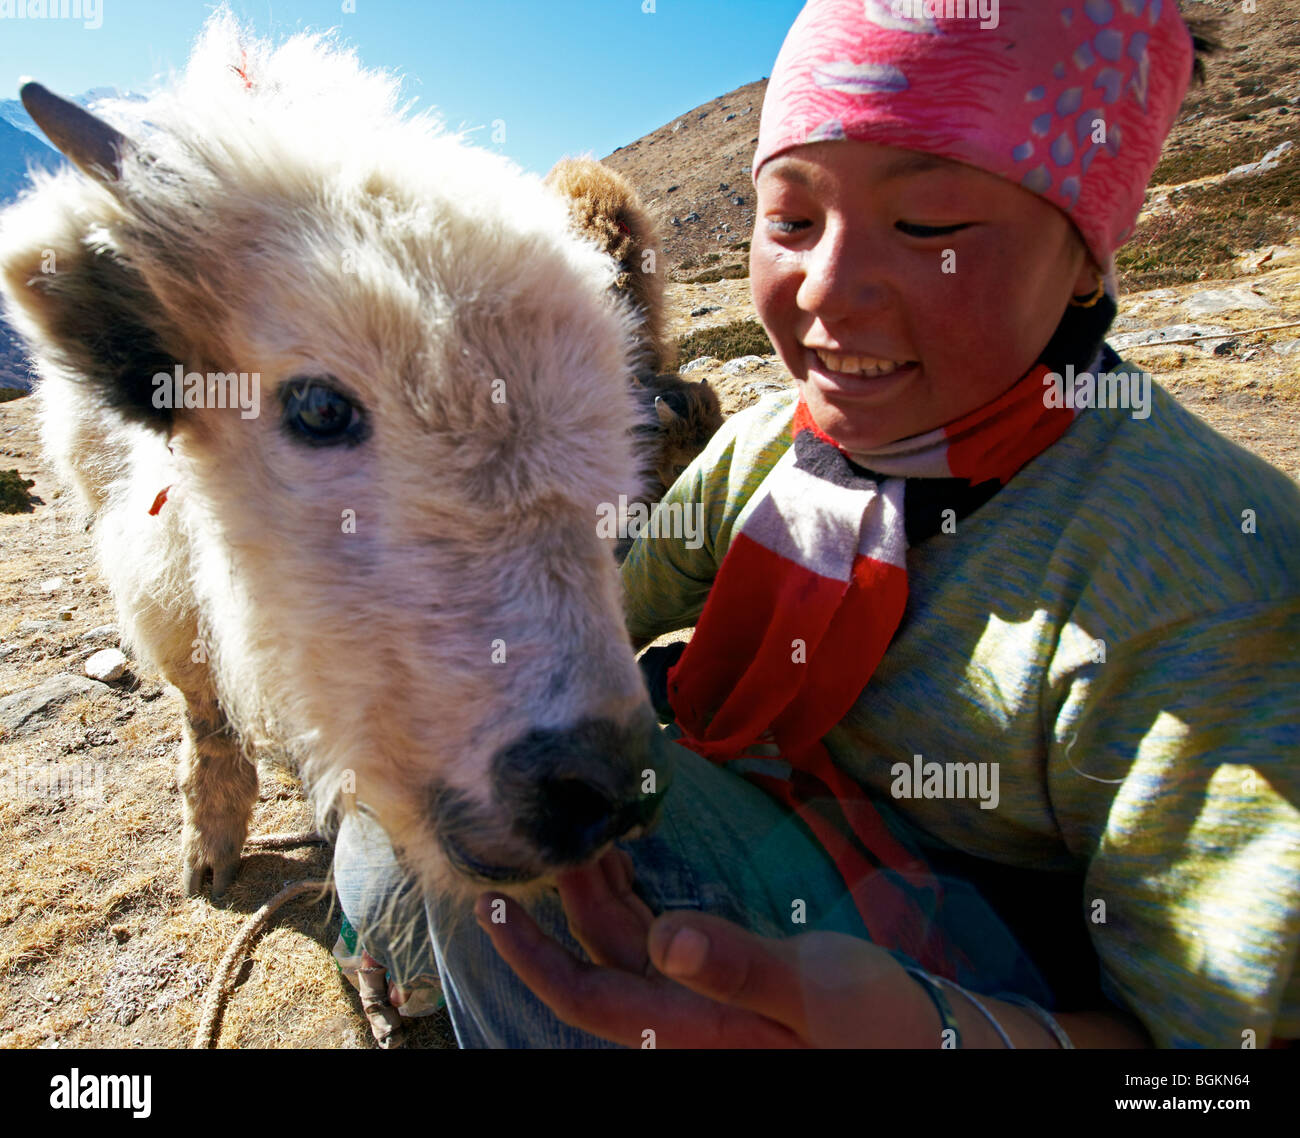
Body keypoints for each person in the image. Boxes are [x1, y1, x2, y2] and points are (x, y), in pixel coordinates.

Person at [334, 0, 1299, 1048]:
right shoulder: (769, 450)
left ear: (1085, 254)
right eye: (790, 222)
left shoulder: (1205, 586)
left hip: (983, 989)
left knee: (530, 886)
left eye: (928, 228)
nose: (828, 292)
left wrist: (935, 1032)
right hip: (784, 822)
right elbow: (595, 619)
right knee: (409, 816)